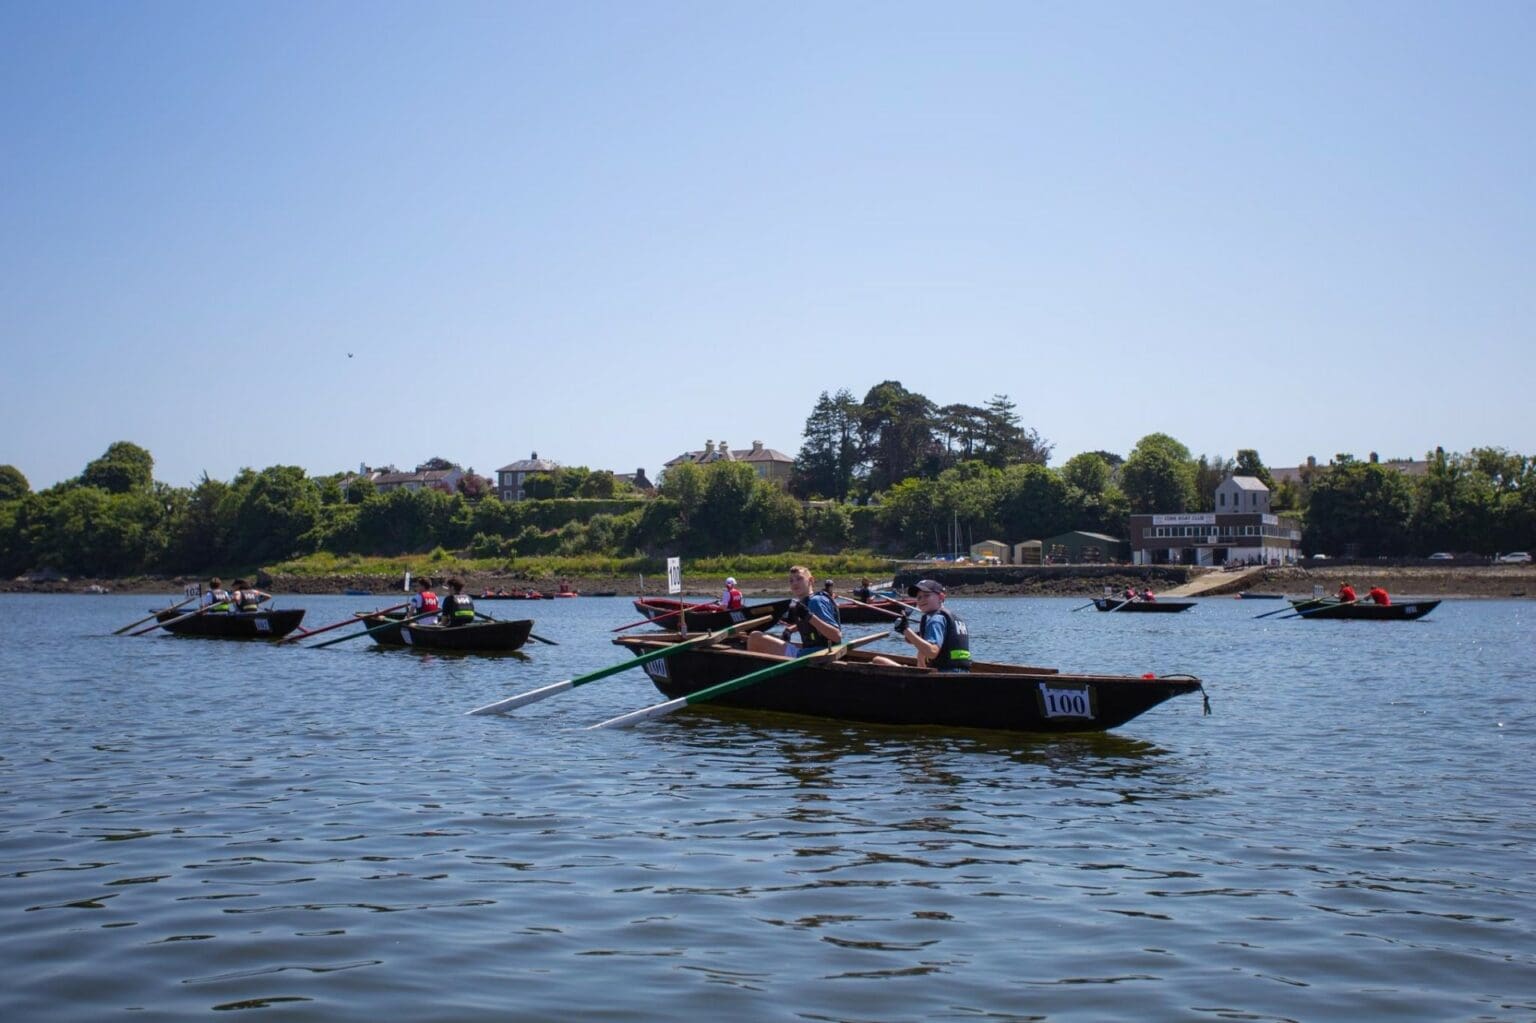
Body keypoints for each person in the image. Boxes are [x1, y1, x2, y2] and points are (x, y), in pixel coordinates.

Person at [748, 565, 841, 657]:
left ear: (811, 580)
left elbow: (836, 636)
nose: (795, 583)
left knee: (754, 637)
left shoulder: (816, 601)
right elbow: (811, 623)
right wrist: (790, 630)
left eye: (799, 579)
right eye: (791, 581)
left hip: (818, 656)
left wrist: (809, 616)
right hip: (811, 652)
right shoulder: (805, 602)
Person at [891, 579, 971, 672]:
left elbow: (932, 652)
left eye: (926, 595)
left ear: (941, 597)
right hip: (962, 672)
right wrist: (915, 637)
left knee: (877, 660)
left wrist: (905, 630)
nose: (922, 600)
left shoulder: (936, 619)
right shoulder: (955, 618)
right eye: (919, 597)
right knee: (879, 660)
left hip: (945, 674)